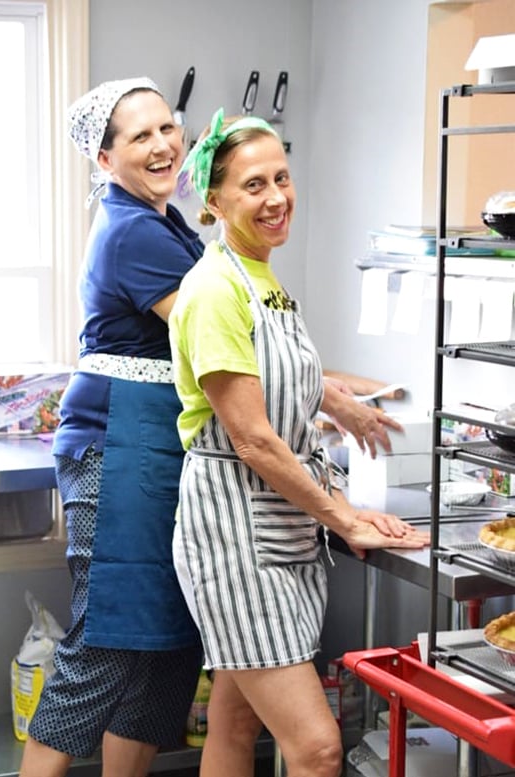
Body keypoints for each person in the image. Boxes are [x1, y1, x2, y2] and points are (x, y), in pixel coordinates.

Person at [168, 108, 431, 777]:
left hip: (280, 525)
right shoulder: (214, 288)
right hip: (234, 535)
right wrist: (343, 517)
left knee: (234, 717)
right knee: (315, 747)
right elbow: (253, 438)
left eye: (282, 177)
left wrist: (343, 416)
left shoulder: (267, 282)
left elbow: (285, 393)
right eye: (254, 185)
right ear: (217, 200)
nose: (277, 197)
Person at [18, 77, 205, 777]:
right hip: (120, 447)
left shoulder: (162, 220)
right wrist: (329, 391)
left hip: (158, 448)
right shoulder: (132, 231)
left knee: (166, 647)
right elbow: (214, 339)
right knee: (107, 640)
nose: (162, 145)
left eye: (167, 128)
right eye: (139, 136)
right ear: (105, 159)